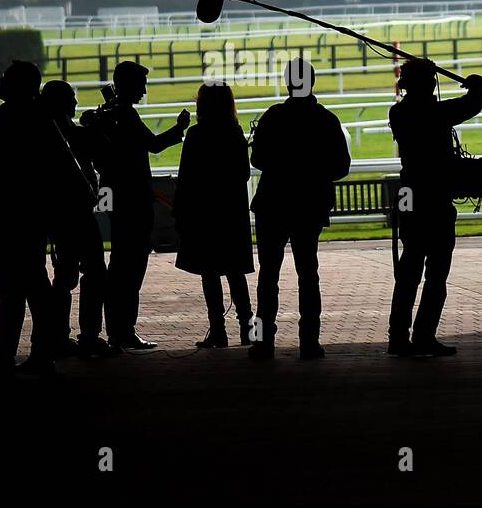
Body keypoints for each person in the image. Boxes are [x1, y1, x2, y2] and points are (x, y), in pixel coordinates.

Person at [80, 60, 188, 352]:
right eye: (140, 84)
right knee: (130, 267)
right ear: (128, 85)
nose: (144, 90)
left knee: (121, 265)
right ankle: (123, 330)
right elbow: (152, 145)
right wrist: (179, 128)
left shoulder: (109, 113)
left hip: (117, 197)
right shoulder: (124, 114)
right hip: (133, 199)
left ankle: (116, 330)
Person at [247, 59, 351, 361]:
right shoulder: (326, 120)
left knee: (268, 277)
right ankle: (309, 341)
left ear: (287, 83)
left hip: (273, 204)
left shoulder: (273, 117)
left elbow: (258, 160)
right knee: (308, 274)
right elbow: (340, 167)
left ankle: (264, 342)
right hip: (309, 205)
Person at [387, 59, 482, 358]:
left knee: (409, 272)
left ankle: (398, 338)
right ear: (429, 84)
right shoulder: (436, 112)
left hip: (411, 196)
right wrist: (477, 82)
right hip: (436, 199)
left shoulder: (399, 112)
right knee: (436, 274)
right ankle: (424, 336)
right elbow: (472, 104)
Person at [0, 60, 54, 378]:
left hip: (8, 216)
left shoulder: (11, 120)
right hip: (31, 215)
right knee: (34, 286)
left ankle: (8, 354)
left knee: (14, 290)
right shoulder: (40, 117)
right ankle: (38, 352)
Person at [173, 81, 254, 348]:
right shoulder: (235, 132)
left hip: (204, 213)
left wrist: (181, 211)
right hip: (230, 213)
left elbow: (186, 178)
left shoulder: (196, 135)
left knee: (209, 273)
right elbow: (243, 174)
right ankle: (247, 328)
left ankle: (218, 331)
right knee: (235, 272)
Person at [40, 79, 113, 360]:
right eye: (71, 97)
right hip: (75, 212)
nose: (75, 102)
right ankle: (88, 335)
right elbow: (105, 153)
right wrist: (98, 129)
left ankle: (61, 335)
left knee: (66, 275)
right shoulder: (63, 132)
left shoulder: (49, 130)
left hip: (60, 213)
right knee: (93, 271)